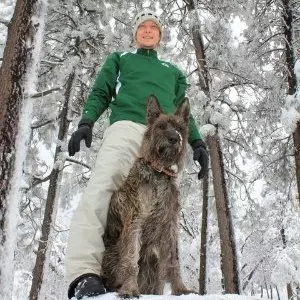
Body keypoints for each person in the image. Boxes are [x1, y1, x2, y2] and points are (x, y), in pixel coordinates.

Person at [65, 9, 209, 300]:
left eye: (153, 27)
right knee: (102, 190)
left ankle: (154, 283)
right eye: (142, 26)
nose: (147, 30)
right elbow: (101, 91)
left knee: (163, 213)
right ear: (135, 33)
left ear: (159, 36)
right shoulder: (121, 59)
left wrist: (198, 143)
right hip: (127, 129)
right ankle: (84, 274)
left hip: (164, 136)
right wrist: (86, 122)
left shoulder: (173, 72)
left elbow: (183, 113)